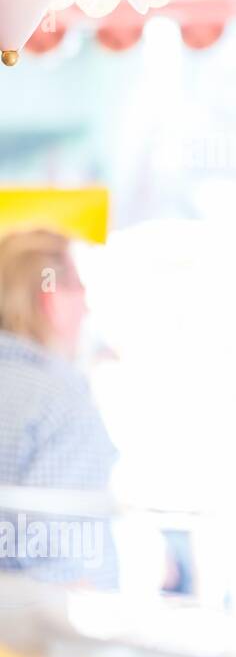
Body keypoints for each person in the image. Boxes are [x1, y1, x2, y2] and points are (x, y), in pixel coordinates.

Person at [0, 228, 118, 587]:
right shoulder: (61, 399)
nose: (87, 305)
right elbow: (57, 559)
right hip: (37, 637)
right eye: (78, 288)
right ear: (50, 298)